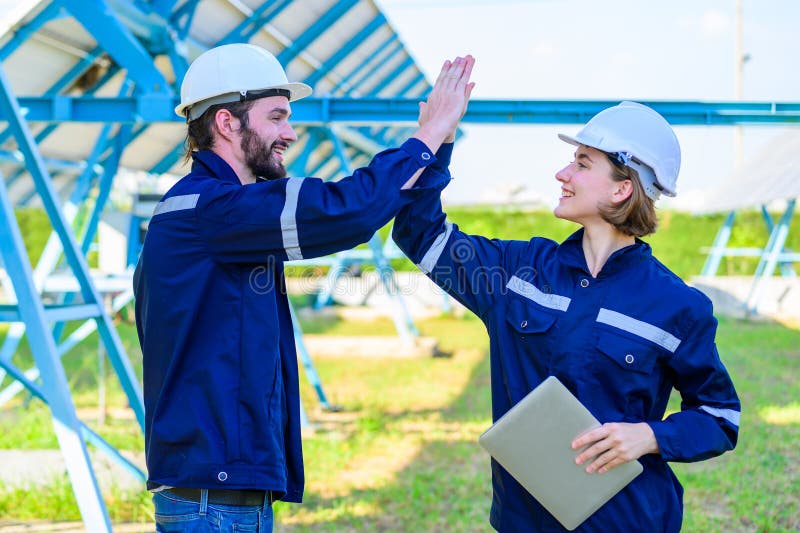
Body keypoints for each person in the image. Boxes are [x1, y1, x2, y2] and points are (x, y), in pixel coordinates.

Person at [133, 43, 474, 532]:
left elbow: (359, 209)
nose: (289, 133)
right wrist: (427, 136)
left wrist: (437, 148)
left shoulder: (212, 212)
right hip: (213, 500)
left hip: (218, 492)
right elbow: (345, 210)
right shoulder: (211, 211)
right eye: (276, 117)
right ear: (227, 123)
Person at [392, 100, 740, 532]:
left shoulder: (676, 306)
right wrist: (437, 139)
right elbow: (420, 233)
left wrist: (649, 436)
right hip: (525, 521)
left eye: (582, 163)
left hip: (626, 520)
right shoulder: (515, 273)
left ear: (621, 188)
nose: (562, 174)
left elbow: (720, 417)